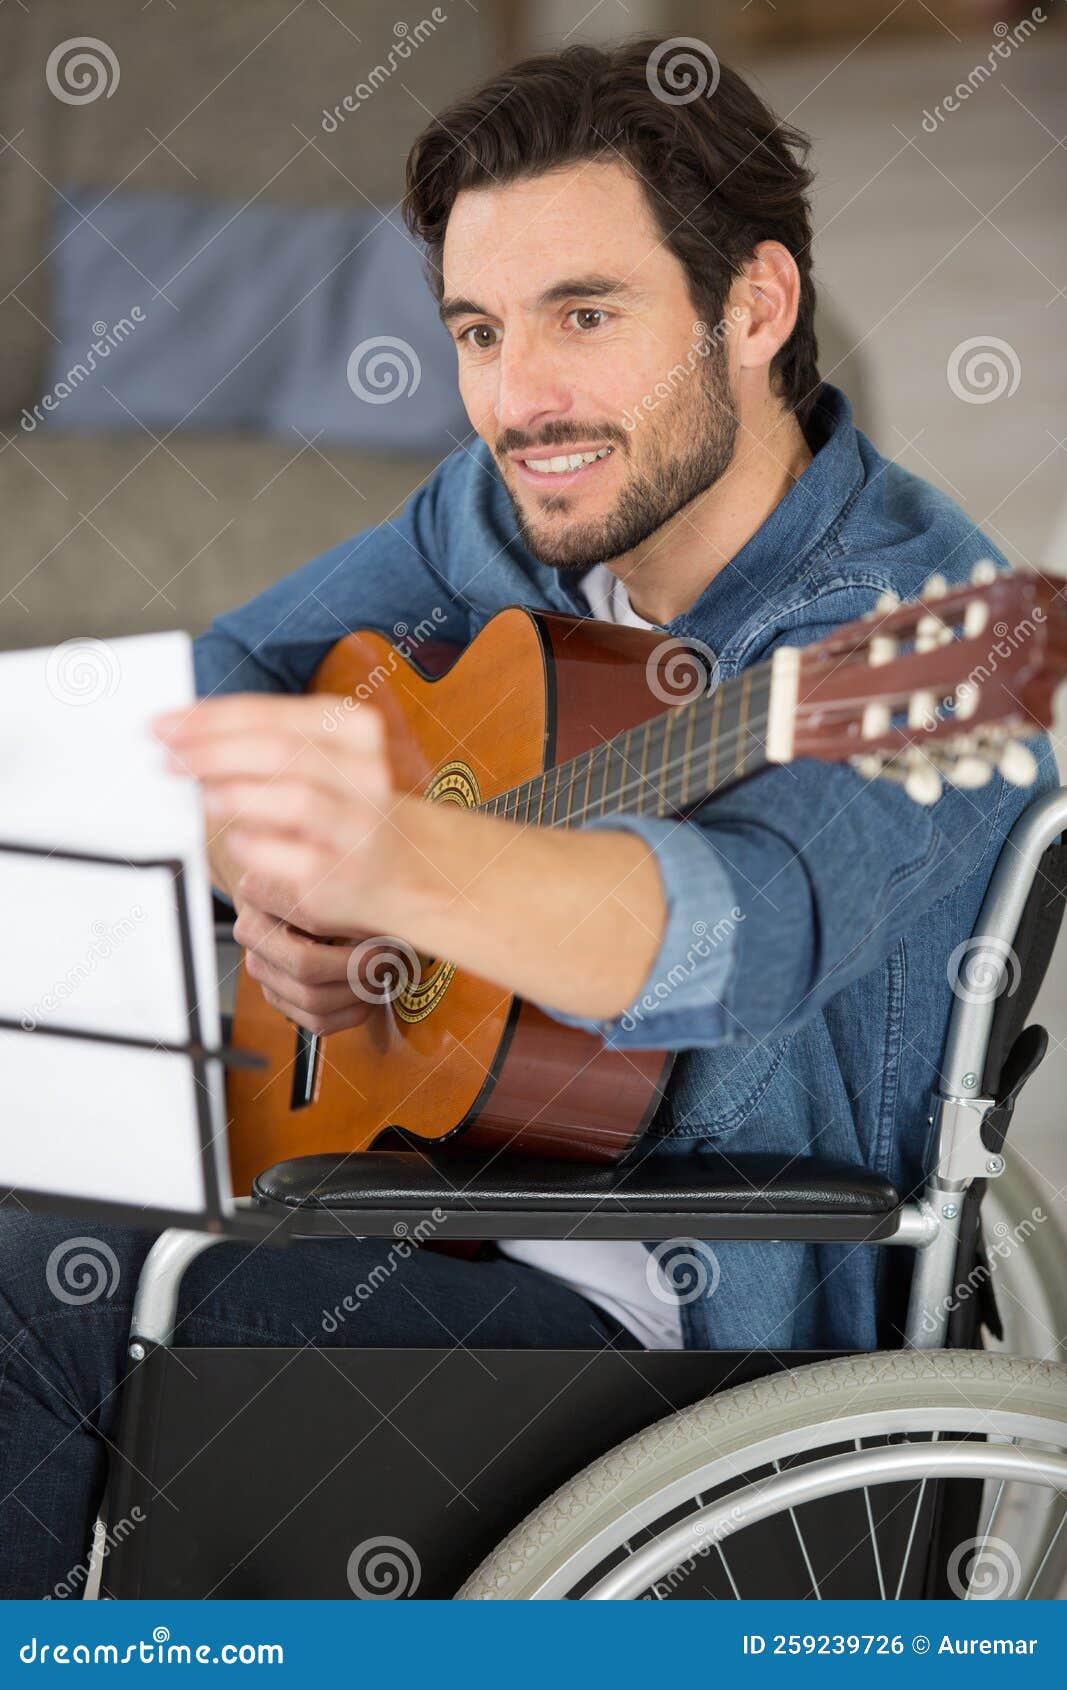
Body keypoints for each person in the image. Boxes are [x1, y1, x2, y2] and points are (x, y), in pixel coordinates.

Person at [1, 36, 1053, 1598]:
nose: (519, 399)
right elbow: (226, 687)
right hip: (423, 1172)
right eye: (479, 331)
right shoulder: (502, 515)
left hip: (681, 1342)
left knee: (66, 1290)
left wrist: (405, 863)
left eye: (585, 314)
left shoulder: (918, 633)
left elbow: (747, 933)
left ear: (753, 307)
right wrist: (292, 895)